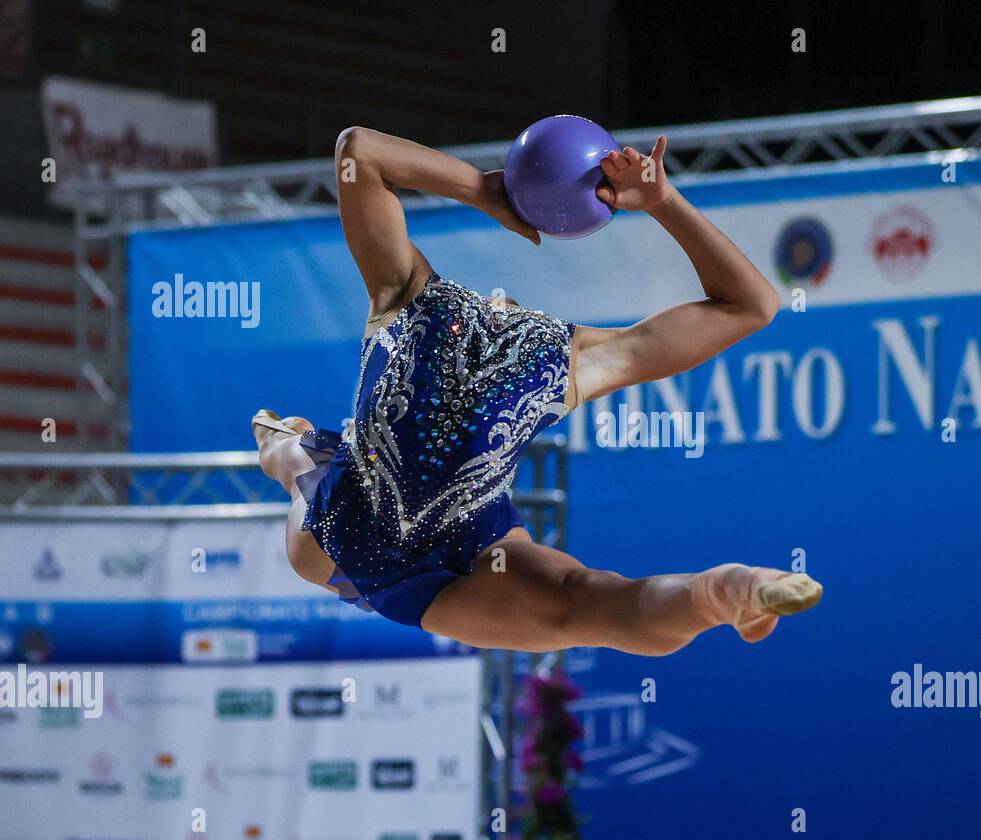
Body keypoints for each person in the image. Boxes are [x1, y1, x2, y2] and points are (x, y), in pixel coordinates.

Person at [252, 126, 822, 656]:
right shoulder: (407, 294)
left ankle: (728, 592)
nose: (507, 301)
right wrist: (484, 190)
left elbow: (753, 306)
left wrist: (662, 203)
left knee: (585, 602)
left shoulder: (563, 357)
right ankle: (284, 439)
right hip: (345, 518)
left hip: (473, 546)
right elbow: (359, 152)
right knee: (292, 458)